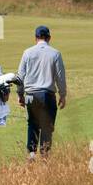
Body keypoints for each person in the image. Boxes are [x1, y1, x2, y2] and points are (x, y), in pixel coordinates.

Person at [18, 25, 66, 159]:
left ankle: (31, 156)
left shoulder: (27, 52)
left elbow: (20, 76)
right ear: (49, 38)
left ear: (36, 38)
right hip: (47, 95)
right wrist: (63, 95)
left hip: (30, 95)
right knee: (47, 126)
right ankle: (45, 158)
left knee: (32, 124)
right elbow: (60, 76)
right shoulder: (55, 53)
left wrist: (20, 95)